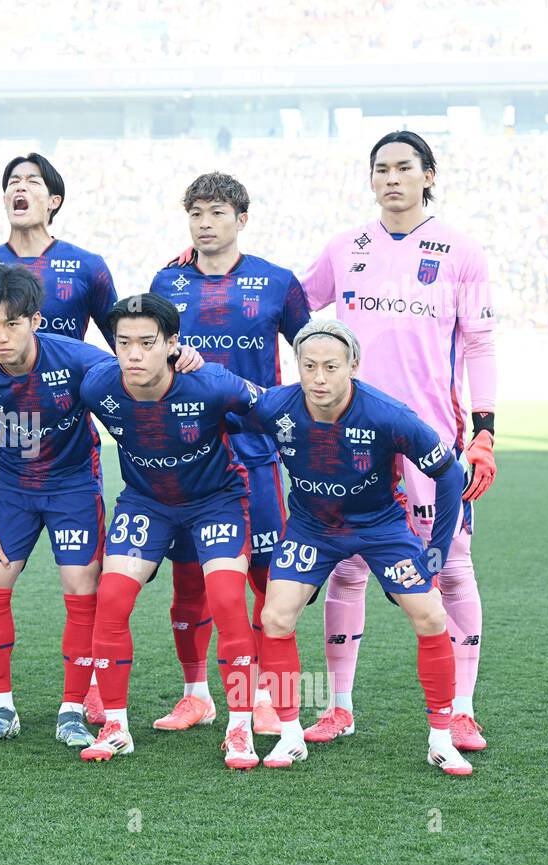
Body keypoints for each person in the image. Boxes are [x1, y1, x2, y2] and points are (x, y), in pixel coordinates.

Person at [300, 132, 497, 751]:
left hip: (433, 437)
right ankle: (338, 707)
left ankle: (460, 709)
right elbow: (292, 308)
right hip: (350, 436)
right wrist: (206, 269)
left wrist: (486, 433)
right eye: (380, 168)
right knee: (349, 569)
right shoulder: (344, 248)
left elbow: (480, 343)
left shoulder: (461, 252)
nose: (391, 178)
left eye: (404, 168)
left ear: (428, 174)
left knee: (453, 567)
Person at [247, 319, 472, 775]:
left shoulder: (388, 414)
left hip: (381, 526)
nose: (319, 378)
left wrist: (437, 551)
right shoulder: (276, 405)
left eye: (331, 366)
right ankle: (290, 735)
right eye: (309, 366)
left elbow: (448, 474)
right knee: (274, 616)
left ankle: (442, 737)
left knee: (430, 614)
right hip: (312, 527)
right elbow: (225, 398)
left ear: (353, 365)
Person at [0, 151, 120, 724]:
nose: (21, 189)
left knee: (82, 584)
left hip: (67, 452)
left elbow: (122, 350)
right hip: (7, 462)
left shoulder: (87, 267)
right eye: (12, 182)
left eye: (33, 181)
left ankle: (86, 692)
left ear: (55, 198)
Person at [75, 293, 263, 769]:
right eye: (123, 343)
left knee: (224, 599)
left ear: (172, 344)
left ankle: (240, 728)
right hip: (147, 502)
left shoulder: (210, 383)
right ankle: (116, 726)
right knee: (111, 599)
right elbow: (37, 344)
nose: (133, 354)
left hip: (216, 500)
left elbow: (274, 409)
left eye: (146, 342)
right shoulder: (98, 386)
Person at [153, 172, 311, 736]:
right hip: (189, 456)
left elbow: (311, 353)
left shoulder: (278, 282)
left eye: (217, 212)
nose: (204, 223)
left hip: (257, 452)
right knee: (190, 580)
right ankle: (197, 695)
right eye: (195, 212)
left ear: (241, 219)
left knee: (271, 582)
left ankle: (268, 697)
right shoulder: (165, 282)